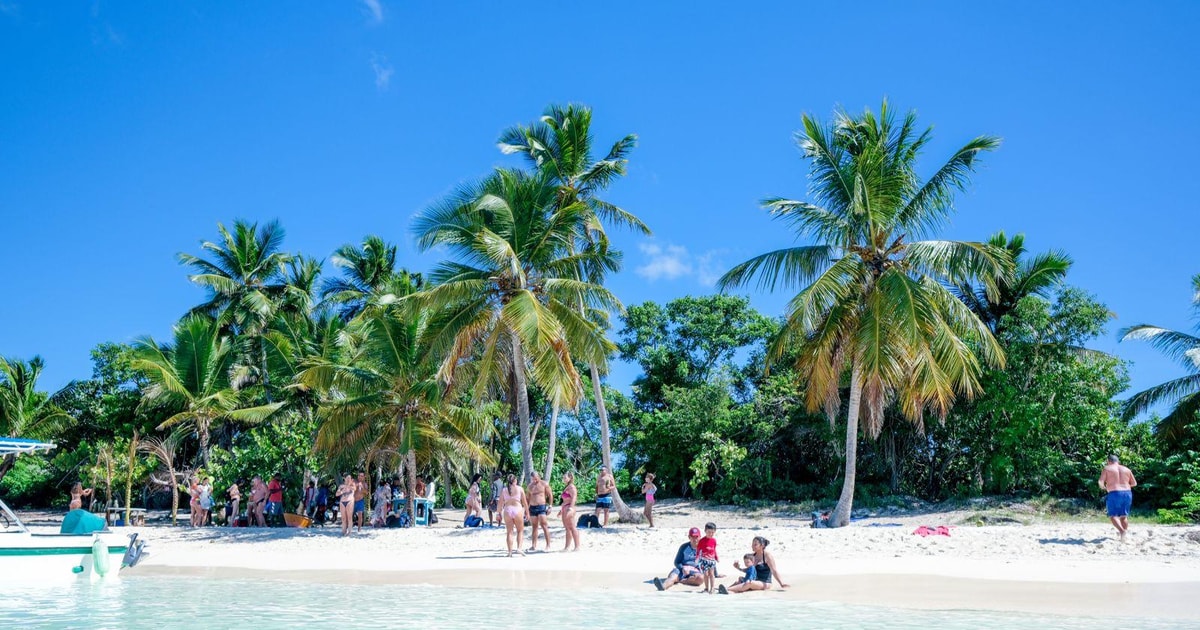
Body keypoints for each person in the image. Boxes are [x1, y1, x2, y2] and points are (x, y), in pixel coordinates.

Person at [722, 536, 789, 593]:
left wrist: (781, 583)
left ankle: (727, 590)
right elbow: (749, 570)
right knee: (739, 581)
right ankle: (726, 590)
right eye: (752, 544)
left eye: (755, 544)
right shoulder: (752, 556)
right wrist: (738, 568)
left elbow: (774, 571)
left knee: (750, 583)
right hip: (755, 581)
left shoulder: (767, 555)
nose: (752, 546)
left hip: (765, 583)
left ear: (762, 546)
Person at [1099, 454, 1137, 541]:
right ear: (1118, 461)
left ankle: (1122, 531)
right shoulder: (1126, 469)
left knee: (1113, 515)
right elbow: (1134, 483)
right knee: (1123, 516)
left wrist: (1104, 487)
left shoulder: (1107, 468)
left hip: (1114, 492)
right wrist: (1125, 486)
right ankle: (1124, 536)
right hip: (1127, 493)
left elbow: (1100, 482)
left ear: (1109, 461)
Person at [499, 473, 527, 558]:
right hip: (517, 510)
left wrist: (498, 513)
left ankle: (510, 552)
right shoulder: (520, 489)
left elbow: (500, 503)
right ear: (515, 481)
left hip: (507, 510)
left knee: (509, 532)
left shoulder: (504, 490)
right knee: (520, 531)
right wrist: (527, 513)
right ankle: (519, 548)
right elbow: (525, 502)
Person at [526, 471, 552, 551]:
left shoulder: (544, 484)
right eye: (533, 479)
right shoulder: (530, 486)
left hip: (541, 507)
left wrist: (550, 506)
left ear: (539, 476)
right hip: (533, 508)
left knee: (544, 525)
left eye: (536, 479)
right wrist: (526, 509)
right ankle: (533, 545)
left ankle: (548, 545)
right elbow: (528, 498)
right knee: (534, 527)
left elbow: (550, 495)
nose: (535, 481)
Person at [559, 472, 580, 552]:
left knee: (572, 527)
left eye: (565, 478)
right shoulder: (567, 487)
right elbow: (564, 500)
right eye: (563, 478)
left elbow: (574, 497)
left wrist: (571, 508)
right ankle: (567, 547)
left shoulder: (571, 487)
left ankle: (577, 546)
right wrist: (561, 511)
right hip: (565, 507)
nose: (563, 479)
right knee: (567, 528)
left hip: (569, 507)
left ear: (570, 478)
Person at [697, 522, 719, 593]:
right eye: (709, 532)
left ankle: (712, 588)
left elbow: (714, 550)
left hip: (711, 560)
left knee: (712, 574)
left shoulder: (714, 540)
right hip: (704, 560)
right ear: (705, 531)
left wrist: (716, 557)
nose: (711, 534)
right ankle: (706, 588)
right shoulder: (701, 541)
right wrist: (697, 558)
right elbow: (698, 550)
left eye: (712, 532)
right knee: (706, 574)